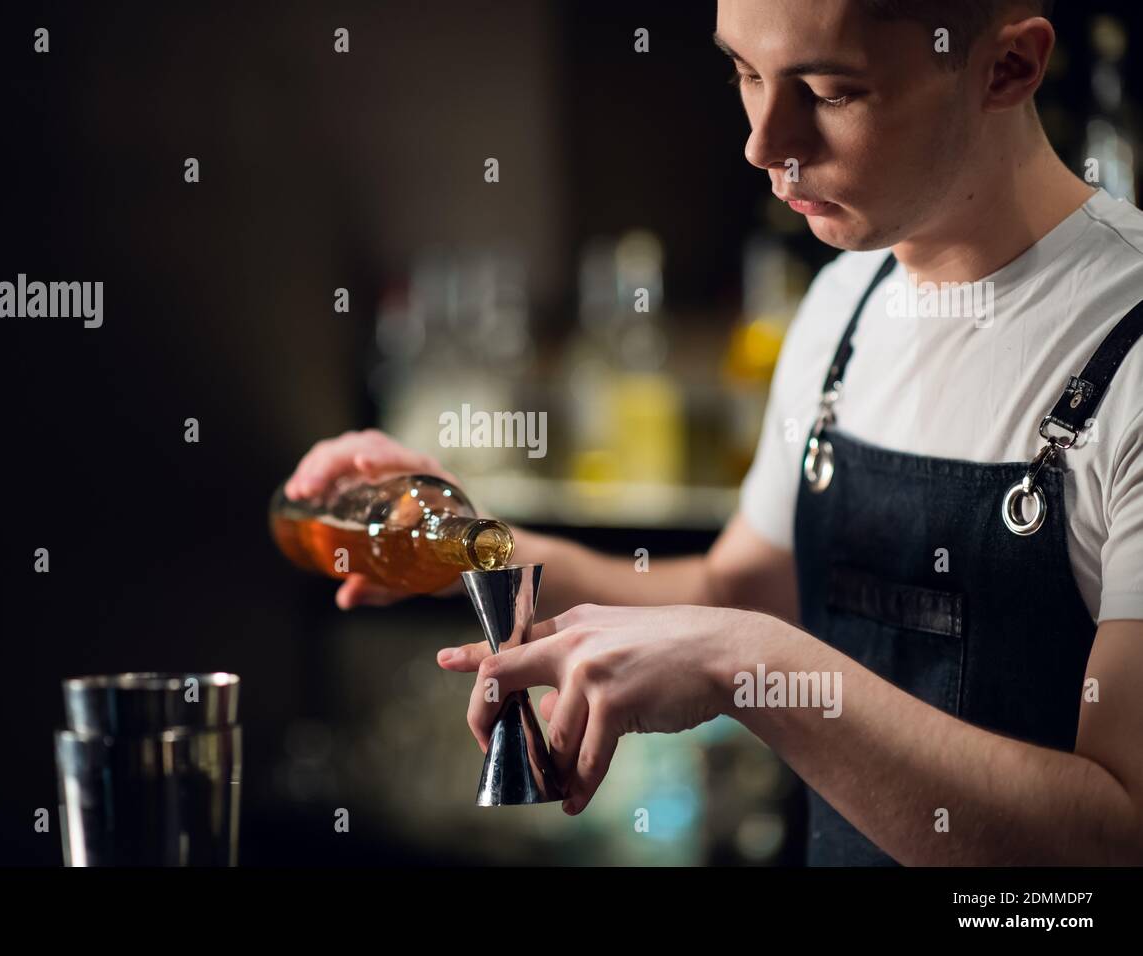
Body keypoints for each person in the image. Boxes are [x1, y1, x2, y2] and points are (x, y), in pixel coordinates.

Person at [283, 0, 1143, 865]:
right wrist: (469, 550)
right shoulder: (847, 305)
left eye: (830, 91)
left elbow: (1118, 831)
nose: (765, 144)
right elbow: (746, 592)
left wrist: (746, 666)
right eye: (746, 73)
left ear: (1008, 68)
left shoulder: (1127, 347)